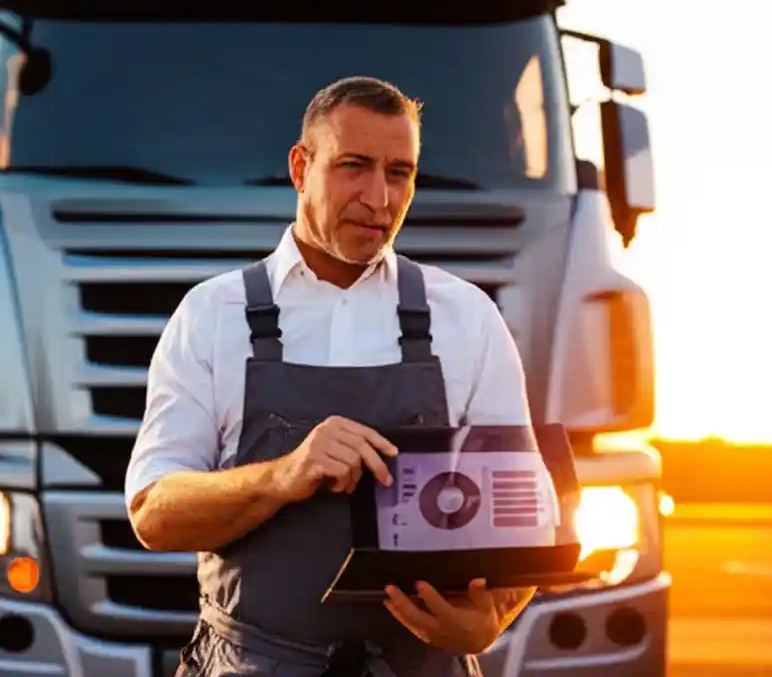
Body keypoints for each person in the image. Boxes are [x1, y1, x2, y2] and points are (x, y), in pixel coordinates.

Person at [125, 76, 539, 676]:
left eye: (400, 173)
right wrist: (284, 475)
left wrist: (494, 615)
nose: (380, 197)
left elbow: (528, 514)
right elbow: (153, 513)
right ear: (301, 166)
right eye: (354, 166)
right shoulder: (211, 316)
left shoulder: (468, 318)